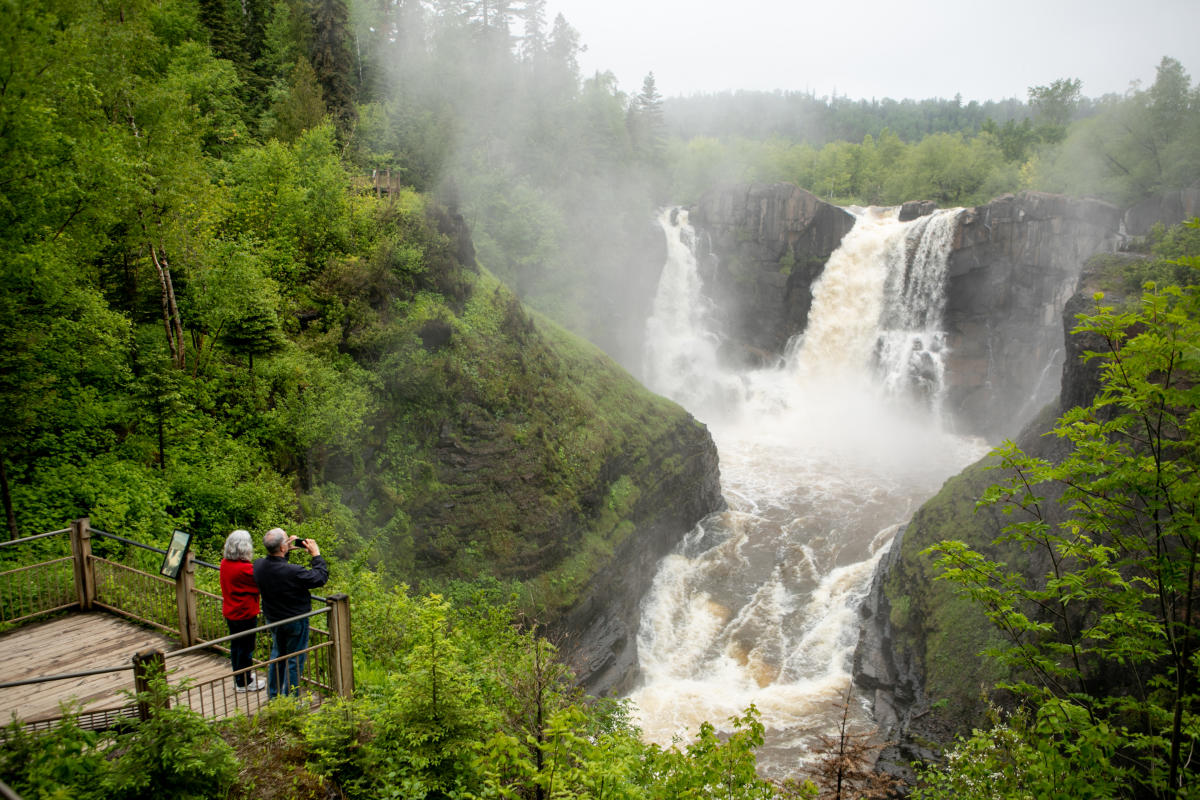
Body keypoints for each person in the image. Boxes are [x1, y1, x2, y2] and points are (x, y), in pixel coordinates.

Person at [253, 527, 328, 699]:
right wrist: (316, 555)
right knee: (294, 660)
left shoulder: (258, 565)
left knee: (277, 655)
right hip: (295, 621)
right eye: (286, 540)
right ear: (282, 547)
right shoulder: (294, 572)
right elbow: (319, 578)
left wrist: (284, 553)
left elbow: (278, 569)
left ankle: (274, 696)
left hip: (273, 619)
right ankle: (292, 701)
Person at [219, 530, 264, 692]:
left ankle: (239, 679)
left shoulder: (225, 563)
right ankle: (245, 682)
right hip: (244, 614)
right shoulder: (244, 569)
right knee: (246, 649)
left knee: (237, 647)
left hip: (231, 612)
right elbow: (264, 581)